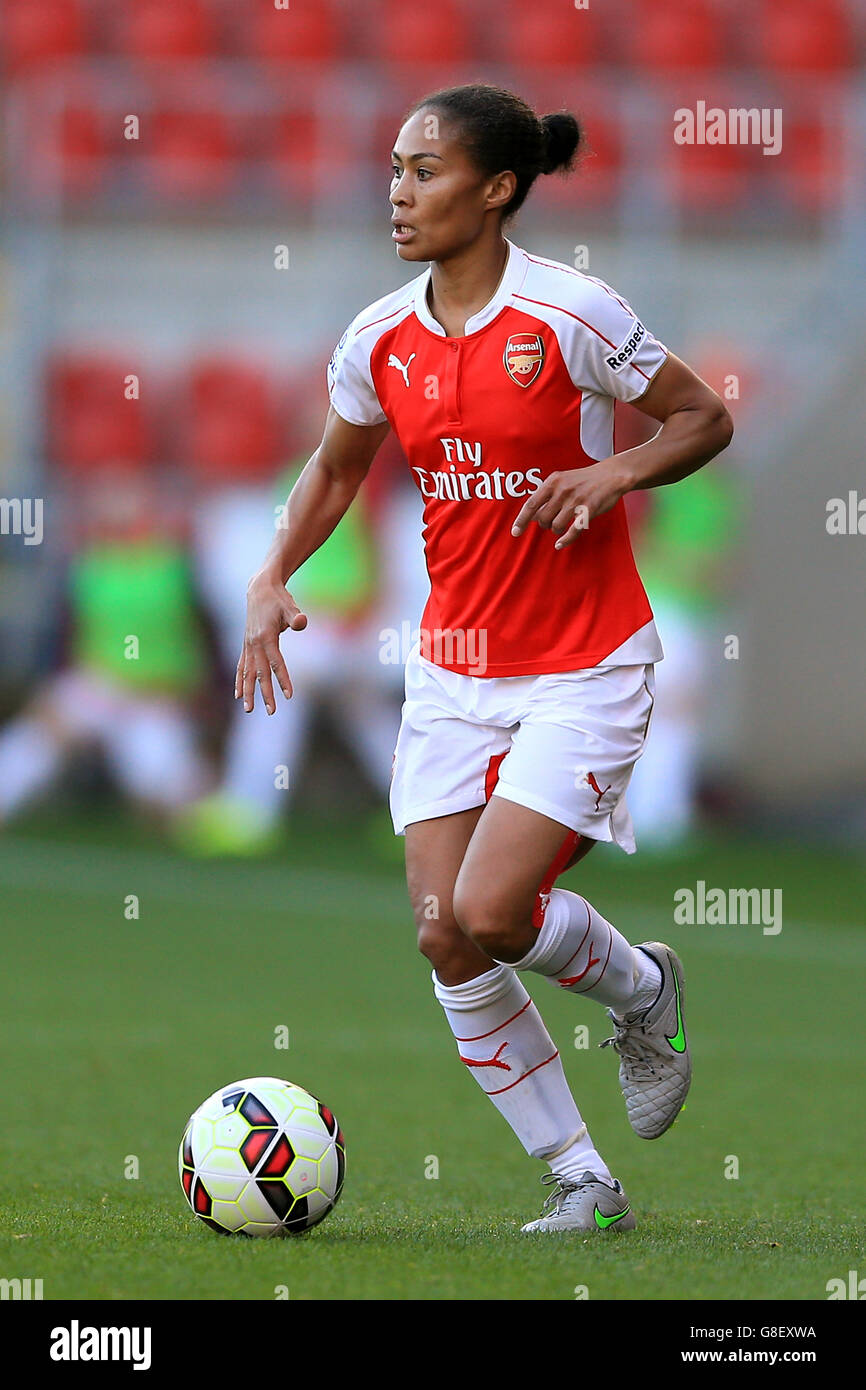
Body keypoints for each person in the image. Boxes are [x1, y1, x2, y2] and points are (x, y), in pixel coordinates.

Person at [235, 84, 733, 1233]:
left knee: (497, 908)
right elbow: (335, 469)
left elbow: (700, 417)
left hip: (583, 660)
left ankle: (642, 991)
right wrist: (272, 577)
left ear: (496, 188)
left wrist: (609, 475)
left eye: (424, 170)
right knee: (442, 931)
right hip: (454, 670)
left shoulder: (569, 312)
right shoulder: (377, 338)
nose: (397, 192)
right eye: (395, 169)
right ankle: (580, 1177)